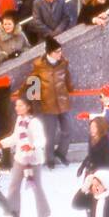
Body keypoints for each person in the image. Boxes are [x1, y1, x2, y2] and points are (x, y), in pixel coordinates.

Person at [0, 95, 50, 217]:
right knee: (13, 186)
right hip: (20, 158)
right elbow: (16, 137)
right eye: (16, 105)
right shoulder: (19, 120)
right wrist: (0, 144)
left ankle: (43, 215)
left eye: (21, 105)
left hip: (33, 160)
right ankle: (13, 215)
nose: (17, 108)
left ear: (28, 107)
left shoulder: (34, 122)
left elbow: (41, 139)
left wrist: (32, 146)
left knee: (36, 187)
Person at [28, 36, 74, 167]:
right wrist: (34, 106)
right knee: (49, 134)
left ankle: (61, 153)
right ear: (49, 53)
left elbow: (67, 78)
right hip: (47, 105)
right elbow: (33, 85)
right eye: (57, 52)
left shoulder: (64, 63)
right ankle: (49, 159)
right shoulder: (39, 66)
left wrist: (70, 87)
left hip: (63, 102)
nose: (61, 54)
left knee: (68, 130)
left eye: (61, 51)